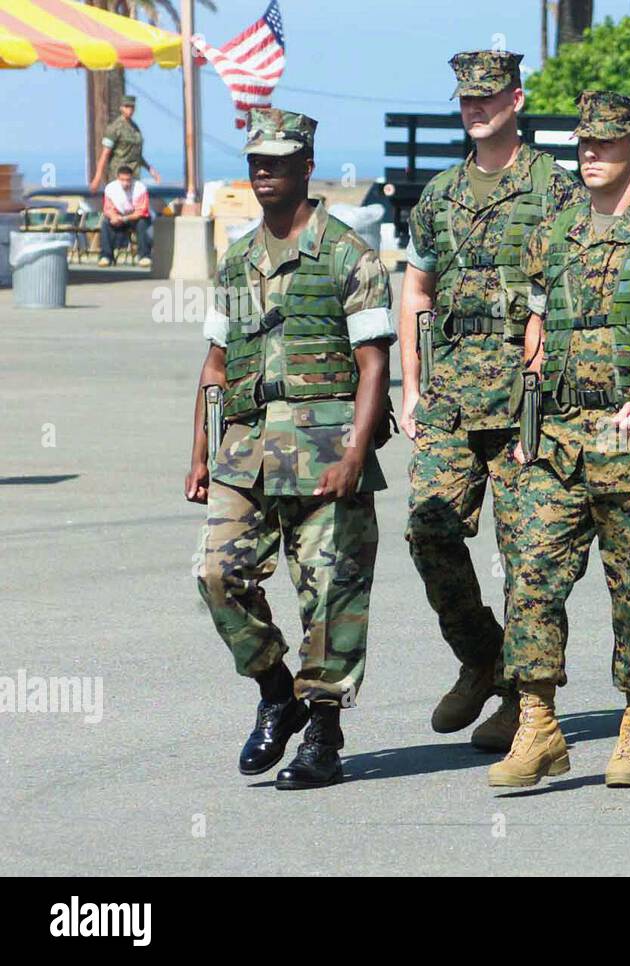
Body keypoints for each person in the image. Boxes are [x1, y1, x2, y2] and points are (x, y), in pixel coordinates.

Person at [487, 90, 630, 788]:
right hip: (557, 436)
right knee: (530, 575)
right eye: (584, 145)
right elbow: (532, 331)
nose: (592, 156)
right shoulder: (552, 236)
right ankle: (538, 726)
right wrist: (526, 423)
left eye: (607, 145)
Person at [185, 109, 395, 790]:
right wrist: (199, 453)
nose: (264, 171)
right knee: (216, 575)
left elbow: (372, 364)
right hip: (245, 451)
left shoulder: (347, 255)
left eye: (278, 160)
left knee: (330, 594)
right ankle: (277, 690)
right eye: (255, 162)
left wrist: (357, 453)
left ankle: (324, 734)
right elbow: (215, 367)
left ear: (308, 164)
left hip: (328, 447)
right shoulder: (237, 259)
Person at [401, 50, 583, 752]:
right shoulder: (440, 193)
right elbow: (416, 290)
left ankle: (521, 698)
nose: (475, 108)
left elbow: (568, 291)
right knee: (429, 531)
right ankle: (481, 655)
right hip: (449, 397)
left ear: (516, 99)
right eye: (466, 99)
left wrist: (542, 372)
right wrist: (412, 388)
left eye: (488, 98)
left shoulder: (554, 188)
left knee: (529, 554)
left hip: (523, 402)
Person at [90, 95, 159, 193]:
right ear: (121, 108)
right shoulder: (115, 128)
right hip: (119, 176)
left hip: (134, 175)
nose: (129, 109)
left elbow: (137, 154)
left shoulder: (135, 128)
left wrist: (150, 169)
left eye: (132, 107)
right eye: (127, 106)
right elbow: (105, 154)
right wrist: (97, 178)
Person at [98, 165, 152, 268]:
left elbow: (141, 211)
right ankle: (106, 256)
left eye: (128, 180)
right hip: (119, 216)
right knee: (105, 223)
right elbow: (108, 208)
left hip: (135, 218)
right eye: (122, 180)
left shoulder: (140, 188)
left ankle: (144, 256)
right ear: (118, 178)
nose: (126, 183)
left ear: (132, 178)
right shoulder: (110, 188)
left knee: (142, 223)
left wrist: (124, 218)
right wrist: (114, 217)